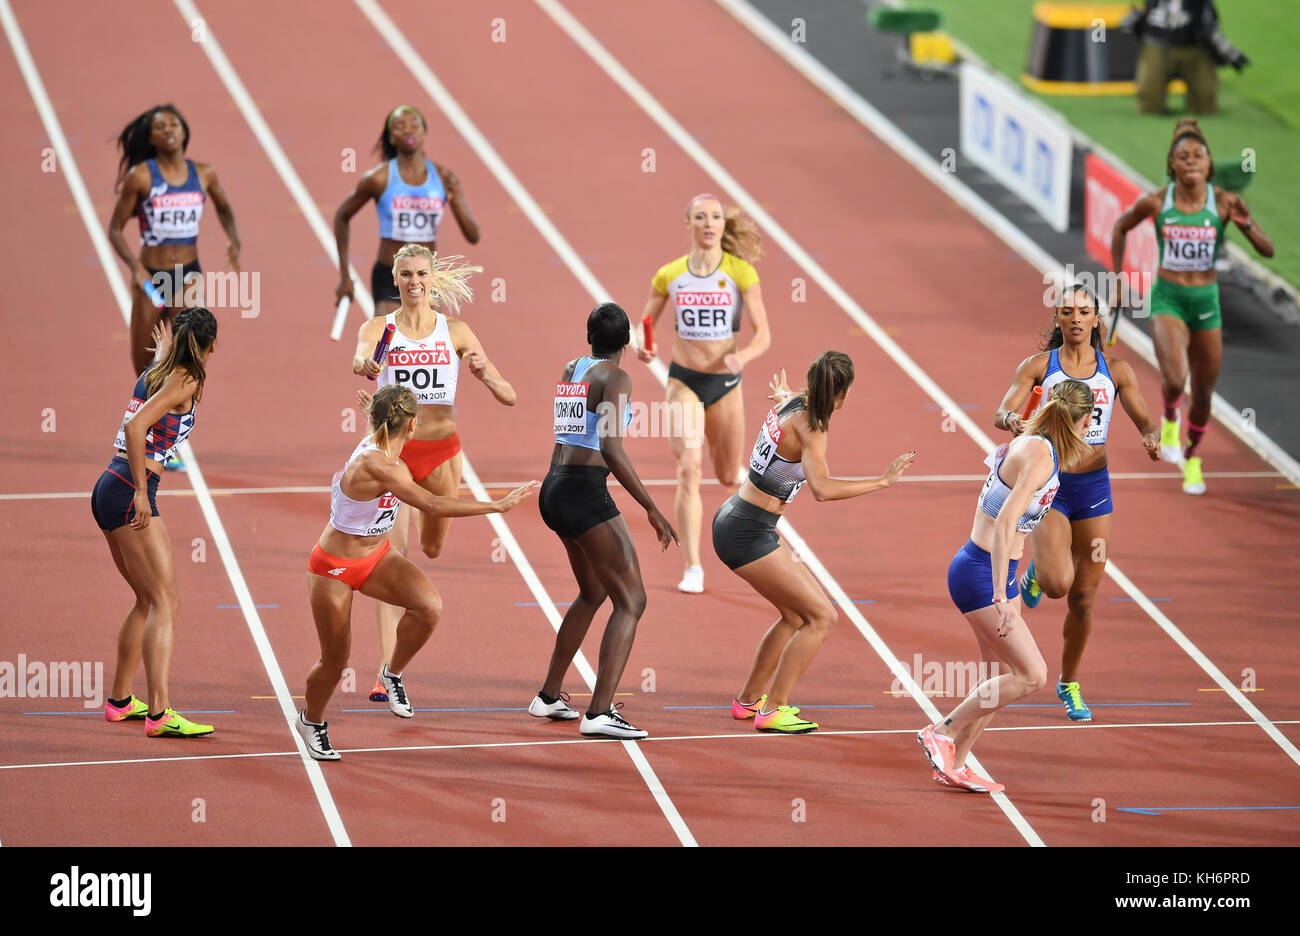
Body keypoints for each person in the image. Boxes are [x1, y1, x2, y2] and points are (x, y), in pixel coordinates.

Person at [296, 385, 535, 759]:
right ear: (409, 425)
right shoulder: (380, 465)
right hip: (334, 567)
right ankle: (312, 721)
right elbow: (432, 504)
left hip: (377, 557)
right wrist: (497, 506)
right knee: (336, 661)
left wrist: (371, 415)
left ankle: (391, 674)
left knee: (428, 606)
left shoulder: (386, 448)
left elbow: (378, 434)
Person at [714, 353, 915, 733]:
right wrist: (883, 481)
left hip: (740, 519)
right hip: (748, 531)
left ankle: (748, 701)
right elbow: (822, 489)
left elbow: (788, 396)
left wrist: (781, 393)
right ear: (842, 393)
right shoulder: (812, 429)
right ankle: (774, 709)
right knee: (823, 617)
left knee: (793, 616)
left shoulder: (794, 401)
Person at [352, 245, 515, 704]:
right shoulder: (378, 329)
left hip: (443, 451)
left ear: (432, 276)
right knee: (391, 558)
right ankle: (386, 672)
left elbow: (511, 396)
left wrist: (485, 375)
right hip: (394, 454)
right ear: (396, 279)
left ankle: (390, 666)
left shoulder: (456, 331)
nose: (413, 281)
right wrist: (365, 364)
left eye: (421, 273)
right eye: (405, 274)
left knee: (433, 547)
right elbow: (361, 358)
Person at [994, 283, 1161, 721]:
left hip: (1094, 489)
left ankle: (1069, 683)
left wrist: (1150, 436)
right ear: (1057, 320)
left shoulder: (1117, 371)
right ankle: (1037, 574)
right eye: (1066, 311)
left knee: (1084, 599)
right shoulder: (1038, 367)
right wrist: (1016, 419)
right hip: (1051, 486)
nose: (1074, 318)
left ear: (1094, 320)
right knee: (1057, 586)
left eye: (1083, 311)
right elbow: (1001, 411)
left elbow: (1144, 415)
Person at [918, 380, 1094, 792]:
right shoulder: (1039, 457)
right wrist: (1000, 594)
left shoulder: (1036, 444)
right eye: (1091, 422)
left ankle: (957, 763)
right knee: (1032, 674)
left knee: (997, 676)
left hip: (995, 569)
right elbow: (1004, 524)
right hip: (981, 573)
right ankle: (940, 732)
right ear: (1081, 421)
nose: (1091, 431)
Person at [531, 302, 678, 740]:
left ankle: (549, 696)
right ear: (627, 342)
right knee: (632, 600)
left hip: (554, 486)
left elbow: (567, 434)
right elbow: (611, 449)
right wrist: (651, 507)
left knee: (593, 591)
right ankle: (599, 712)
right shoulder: (616, 377)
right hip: (582, 491)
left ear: (588, 336)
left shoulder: (573, 366)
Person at [1112, 118, 1273, 495]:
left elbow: (1267, 250)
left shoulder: (1225, 202)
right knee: (1174, 378)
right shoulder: (1157, 201)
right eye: (1182, 156)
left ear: (1209, 163)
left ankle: (1193, 456)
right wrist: (1119, 277)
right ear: (1172, 164)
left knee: (1203, 392)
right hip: (1168, 297)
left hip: (1206, 301)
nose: (1191, 161)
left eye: (1198, 155)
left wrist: (1245, 224)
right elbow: (1121, 226)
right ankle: (1169, 416)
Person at [94, 308, 219, 738]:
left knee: (146, 600)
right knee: (167, 602)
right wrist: (144, 494)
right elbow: (136, 425)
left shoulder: (158, 368)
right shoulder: (186, 379)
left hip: (107, 487)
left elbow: (144, 405)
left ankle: (120, 701)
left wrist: (166, 348)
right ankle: (160, 713)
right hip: (131, 488)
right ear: (211, 346)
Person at [637, 194, 771, 594]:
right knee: (689, 468)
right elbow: (647, 317)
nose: (709, 223)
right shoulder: (670, 274)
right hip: (684, 382)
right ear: (689, 224)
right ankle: (693, 566)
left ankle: (738, 495)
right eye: (701, 217)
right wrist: (647, 345)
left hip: (726, 384)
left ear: (723, 226)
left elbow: (764, 333)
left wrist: (742, 355)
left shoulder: (740, 272)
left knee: (730, 475)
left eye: (715, 217)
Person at [108, 104, 240, 378]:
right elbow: (115, 229)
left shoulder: (204, 173)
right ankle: (151, 417)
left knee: (191, 359)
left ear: (184, 132)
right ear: (151, 138)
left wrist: (234, 241)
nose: (168, 129)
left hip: (187, 275)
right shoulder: (141, 177)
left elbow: (225, 209)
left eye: (173, 124)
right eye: (160, 126)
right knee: (145, 367)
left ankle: (181, 418)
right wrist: (135, 268)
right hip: (150, 278)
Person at [334, 105, 479, 319]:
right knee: (387, 346)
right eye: (400, 126)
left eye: (414, 125)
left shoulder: (444, 179)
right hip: (390, 274)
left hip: (428, 275)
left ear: (425, 133)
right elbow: (342, 216)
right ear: (391, 138)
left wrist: (455, 201)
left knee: (429, 349)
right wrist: (345, 275)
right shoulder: (378, 179)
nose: (408, 130)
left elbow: (473, 236)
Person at [1127, 1, 1249, 115]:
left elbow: (1211, 26)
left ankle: (1198, 98)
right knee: (1150, 107)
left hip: (1195, 47)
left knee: (1206, 106)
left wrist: (1230, 53)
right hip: (1158, 47)